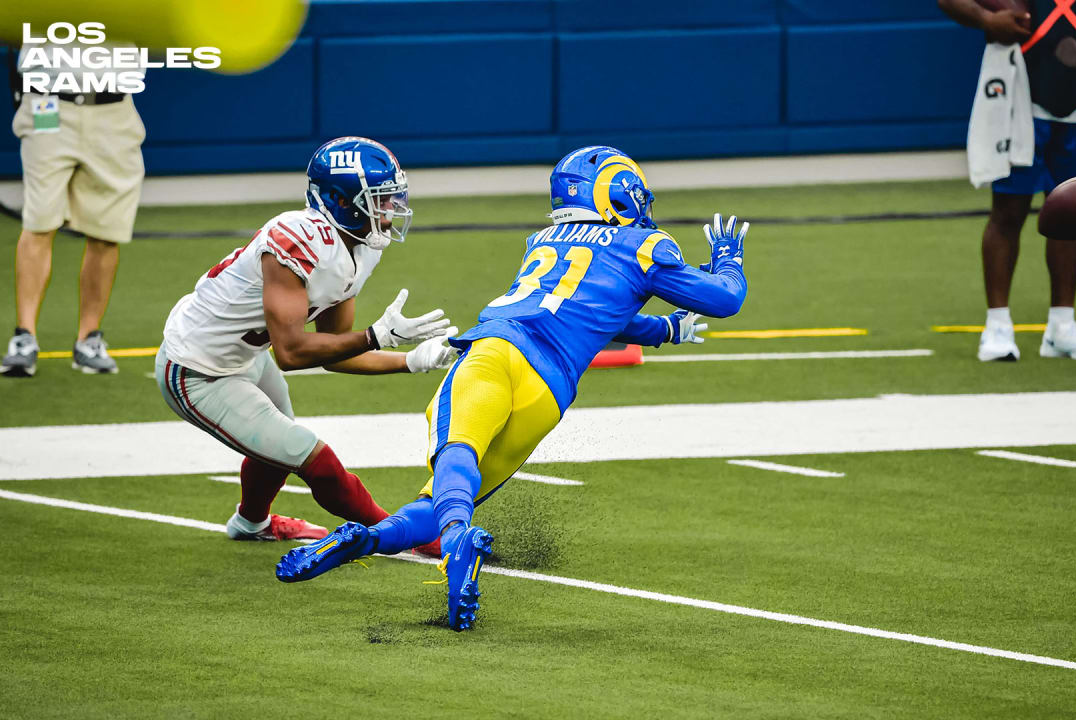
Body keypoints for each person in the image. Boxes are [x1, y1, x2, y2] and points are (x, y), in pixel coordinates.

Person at [275, 146, 747, 632]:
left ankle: (452, 538)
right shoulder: (645, 246)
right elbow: (715, 299)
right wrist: (726, 262)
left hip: (498, 351)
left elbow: (572, 303)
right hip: (549, 393)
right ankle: (369, 540)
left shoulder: (544, 238)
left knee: (457, 456)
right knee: (441, 500)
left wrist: (661, 329)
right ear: (618, 192)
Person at [156, 136, 458, 542]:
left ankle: (251, 524)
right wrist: (376, 336)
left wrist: (411, 360)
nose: (391, 210)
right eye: (380, 200)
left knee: (277, 446)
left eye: (392, 198)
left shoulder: (362, 246)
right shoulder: (296, 239)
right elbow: (293, 353)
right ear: (340, 201)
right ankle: (411, 536)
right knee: (312, 457)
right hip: (197, 368)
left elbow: (334, 350)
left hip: (245, 354)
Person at [939, 0, 1076, 361]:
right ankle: (997, 326)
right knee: (1009, 210)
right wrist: (986, 18)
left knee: (1074, 214)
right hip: (1020, 91)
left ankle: (1062, 327)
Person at [2, 41, 146, 377]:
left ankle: (89, 340)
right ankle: (24, 338)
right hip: (49, 101)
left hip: (114, 107)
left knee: (106, 230)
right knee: (39, 220)